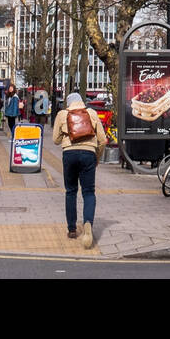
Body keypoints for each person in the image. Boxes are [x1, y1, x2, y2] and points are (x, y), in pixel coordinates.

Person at [52, 92, 107, 247]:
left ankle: (72, 229)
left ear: (68, 104)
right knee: (88, 192)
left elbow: (55, 140)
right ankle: (88, 223)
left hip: (69, 154)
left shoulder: (63, 114)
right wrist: (97, 156)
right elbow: (102, 140)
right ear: (82, 102)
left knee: (70, 191)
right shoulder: (92, 113)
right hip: (89, 154)